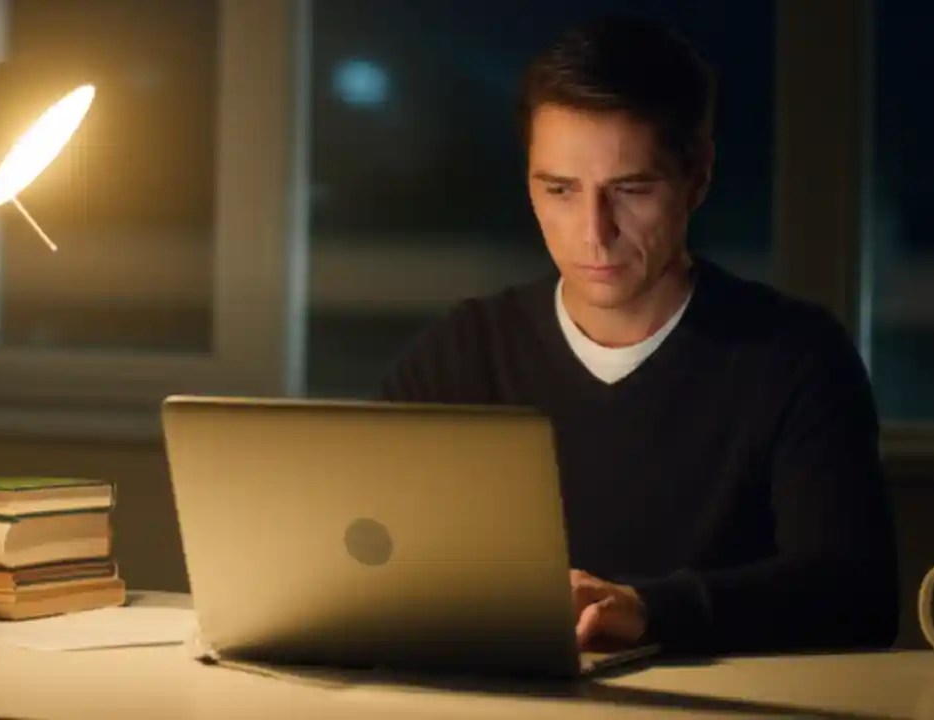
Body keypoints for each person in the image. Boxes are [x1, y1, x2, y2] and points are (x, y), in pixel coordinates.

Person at [380, 17, 898, 655]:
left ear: (697, 178)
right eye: (561, 191)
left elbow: (857, 596)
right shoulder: (464, 353)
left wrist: (650, 611)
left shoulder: (796, 358)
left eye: (629, 191)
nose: (594, 232)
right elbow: (358, 552)